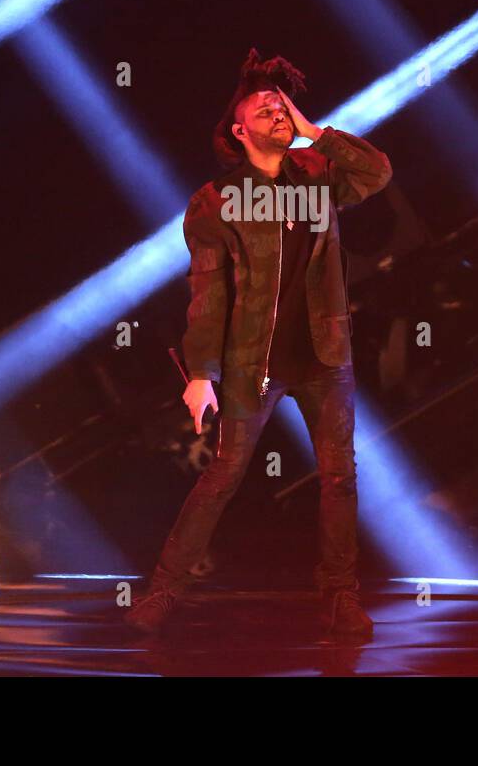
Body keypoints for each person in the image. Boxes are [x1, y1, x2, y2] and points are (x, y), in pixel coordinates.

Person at [126, 48, 392, 636]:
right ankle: (164, 591)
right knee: (222, 476)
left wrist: (313, 131)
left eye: (283, 104)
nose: (277, 112)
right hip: (254, 364)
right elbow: (208, 291)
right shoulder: (217, 201)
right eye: (265, 108)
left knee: (340, 476)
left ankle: (341, 596)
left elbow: (376, 173)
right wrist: (201, 373)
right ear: (237, 130)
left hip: (324, 357)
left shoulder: (318, 175)